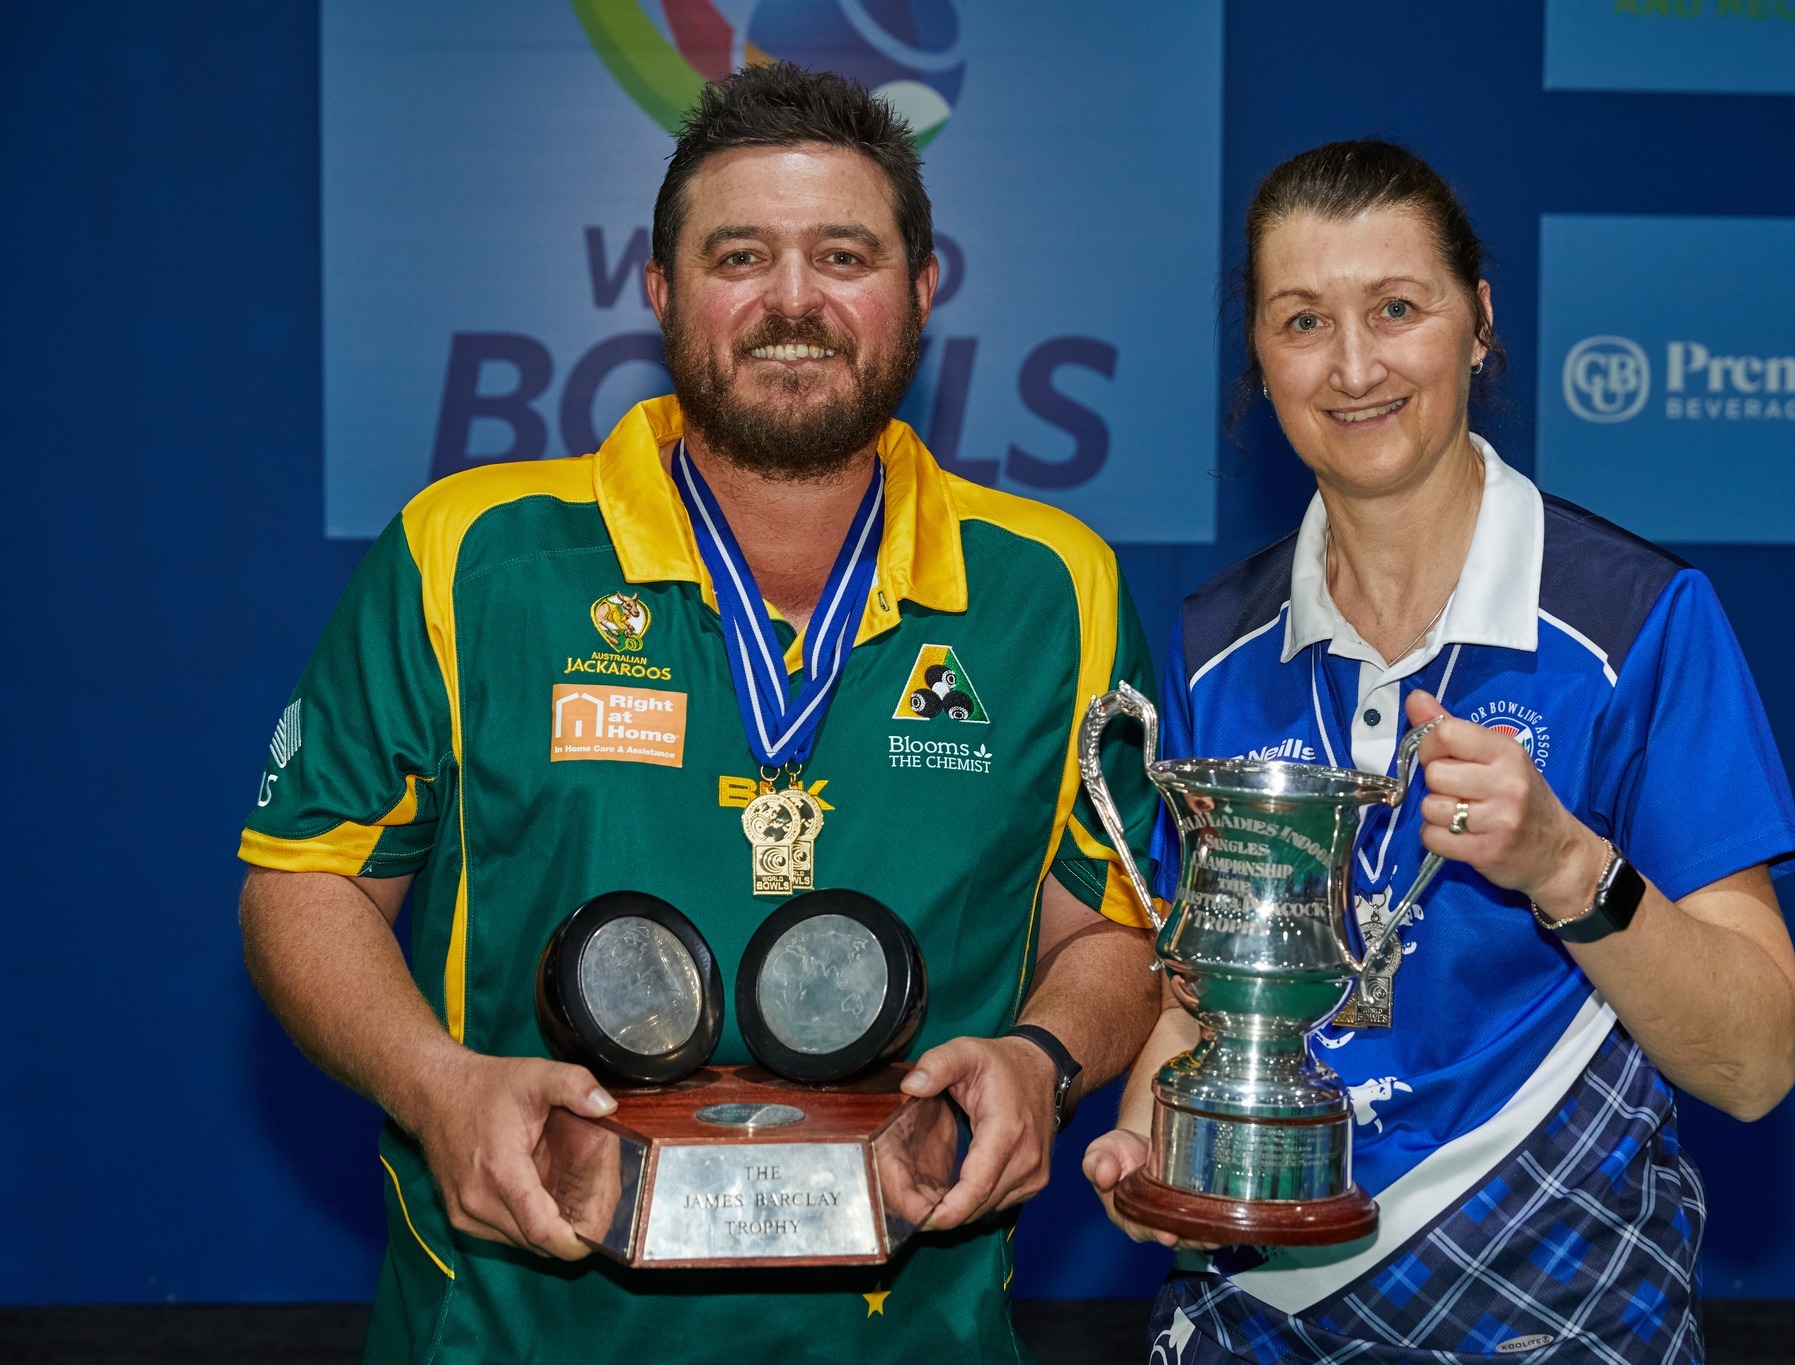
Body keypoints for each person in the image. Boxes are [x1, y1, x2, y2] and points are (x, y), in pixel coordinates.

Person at [239, 63, 1161, 1364]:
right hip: (515, 1324)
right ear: (663, 290)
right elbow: (304, 880)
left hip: (913, 1334)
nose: (793, 301)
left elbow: (1112, 925)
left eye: (844, 254)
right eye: (741, 256)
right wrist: (433, 1082)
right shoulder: (468, 554)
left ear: (922, 290)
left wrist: (1045, 1062)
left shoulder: (1054, 587)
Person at [1084, 140, 1795, 1363]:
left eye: (1396, 309)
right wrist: (1149, 1138)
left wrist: (1568, 869)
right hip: (1255, 1315)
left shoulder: (1634, 622)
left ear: (1476, 322)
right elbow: (1194, 1004)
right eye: (1302, 319)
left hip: (1557, 1310)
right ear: (1259, 361)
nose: (1354, 364)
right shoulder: (1214, 648)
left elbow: (1752, 1064)